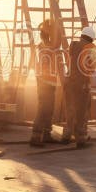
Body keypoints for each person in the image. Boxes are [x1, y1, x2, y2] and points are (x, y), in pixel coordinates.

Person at [63, 26, 96, 147]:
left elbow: (69, 63)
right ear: (92, 38)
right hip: (82, 84)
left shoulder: (72, 46)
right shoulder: (91, 47)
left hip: (69, 82)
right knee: (82, 111)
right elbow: (94, 64)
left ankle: (67, 135)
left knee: (70, 109)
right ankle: (81, 138)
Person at [30, 19, 66, 147]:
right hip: (45, 83)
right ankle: (36, 135)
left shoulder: (43, 46)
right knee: (44, 108)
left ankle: (45, 134)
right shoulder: (47, 47)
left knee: (48, 108)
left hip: (47, 82)